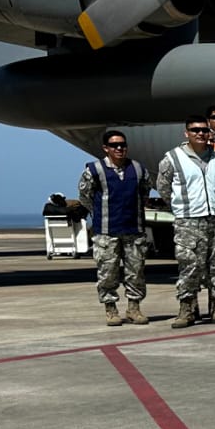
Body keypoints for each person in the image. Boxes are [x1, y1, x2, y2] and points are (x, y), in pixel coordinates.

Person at [158, 115, 215, 328]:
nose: (200, 134)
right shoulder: (173, 158)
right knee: (190, 266)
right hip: (189, 221)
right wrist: (180, 208)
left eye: (204, 130)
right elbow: (163, 188)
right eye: (195, 130)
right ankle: (187, 308)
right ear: (186, 133)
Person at [78, 129, 154, 326]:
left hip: (133, 230)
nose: (119, 148)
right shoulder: (95, 170)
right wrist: (99, 215)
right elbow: (85, 197)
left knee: (136, 271)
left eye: (122, 144)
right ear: (105, 148)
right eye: (114, 145)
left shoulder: (138, 169)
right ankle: (110, 308)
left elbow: (144, 192)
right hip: (106, 232)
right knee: (108, 272)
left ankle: (134, 308)